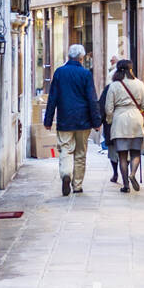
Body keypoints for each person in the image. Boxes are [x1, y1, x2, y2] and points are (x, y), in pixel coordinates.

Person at [43, 43, 102, 195]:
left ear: (68, 56)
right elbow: (92, 99)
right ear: (82, 58)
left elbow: (52, 98)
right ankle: (77, 185)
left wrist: (48, 120)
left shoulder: (59, 73)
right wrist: (96, 122)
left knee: (65, 150)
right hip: (83, 121)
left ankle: (66, 175)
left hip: (65, 120)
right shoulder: (86, 74)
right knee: (80, 153)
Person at [102, 58, 144, 194]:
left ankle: (126, 185)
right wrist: (141, 113)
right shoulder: (139, 84)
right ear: (131, 69)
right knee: (136, 152)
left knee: (122, 155)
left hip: (119, 120)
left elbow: (108, 107)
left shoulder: (114, 85)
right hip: (136, 118)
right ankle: (133, 174)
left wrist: (110, 120)